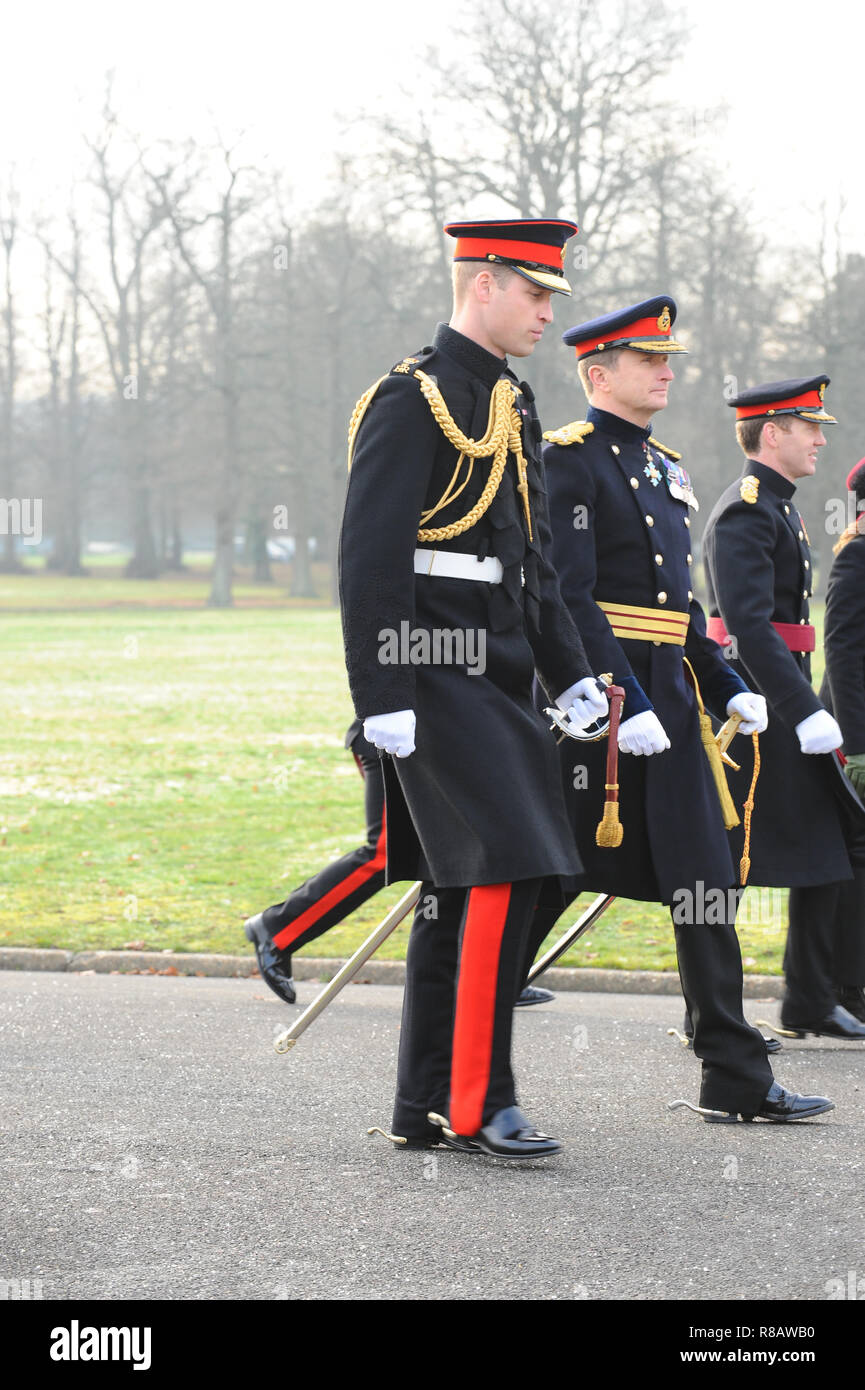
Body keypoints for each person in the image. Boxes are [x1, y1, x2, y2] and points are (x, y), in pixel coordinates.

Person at [338, 217, 607, 1158]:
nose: (545, 314)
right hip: (429, 665)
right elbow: (369, 557)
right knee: (507, 868)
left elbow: (531, 560)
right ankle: (477, 1098)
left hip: (500, 663)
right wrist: (381, 694)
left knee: (483, 885)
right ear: (483, 282)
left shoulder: (512, 400)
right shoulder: (408, 398)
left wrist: (571, 675)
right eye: (534, 294)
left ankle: (423, 1103)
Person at [532, 299, 833, 1123]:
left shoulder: (666, 464)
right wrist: (608, 688)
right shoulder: (570, 460)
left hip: (671, 691)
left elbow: (679, 607)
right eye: (646, 359)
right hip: (604, 695)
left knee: (704, 879)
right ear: (599, 374)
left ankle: (733, 1076)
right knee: (549, 872)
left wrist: (726, 678)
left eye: (666, 358)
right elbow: (568, 591)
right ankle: (463, 1035)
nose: (665, 369)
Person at [702, 377, 865, 1041]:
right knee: (723, 866)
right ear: (772, 432)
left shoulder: (780, 508)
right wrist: (802, 710)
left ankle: (807, 999)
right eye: (809, 427)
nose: (821, 439)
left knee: (830, 841)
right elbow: (745, 624)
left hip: (780, 704)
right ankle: (712, 1016)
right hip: (750, 712)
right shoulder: (746, 508)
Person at [243, 718, 555, 1008]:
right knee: (384, 852)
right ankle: (278, 929)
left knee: (464, 855)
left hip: (448, 746)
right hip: (396, 741)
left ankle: (486, 979)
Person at [818, 456, 865, 1020]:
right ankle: (846, 987)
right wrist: (856, 747)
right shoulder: (856, 557)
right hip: (856, 728)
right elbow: (846, 656)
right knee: (858, 858)